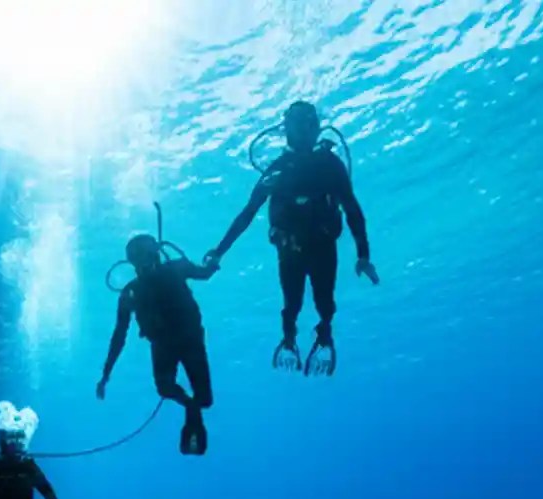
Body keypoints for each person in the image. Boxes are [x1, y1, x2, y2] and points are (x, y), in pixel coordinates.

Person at [204, 100, 380, 377]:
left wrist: (363, 255)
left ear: (316, 128)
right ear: (287, 129)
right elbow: (247, 213)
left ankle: (320, 337)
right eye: (298, 125)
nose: (303, 132)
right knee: (294, 303)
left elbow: (352, 209)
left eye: (308, 125)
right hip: (292, 248)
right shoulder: (279, 170)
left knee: (323, 302)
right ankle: (291, 340)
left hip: (320, 245)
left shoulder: (329, 165)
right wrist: (219, 251)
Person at [97, 233, 216, 455]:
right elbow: (119, 335)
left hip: (184, 340)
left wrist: (106, 374)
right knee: (171, 390)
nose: (142, 263)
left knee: (200, 398)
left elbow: (119, 336)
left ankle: (192, 410)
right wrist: (106, 373)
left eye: (143, 256)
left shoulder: (168, 272)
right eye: (138, 258)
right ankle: (191, 408)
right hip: (172, 343)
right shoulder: (135, 290)